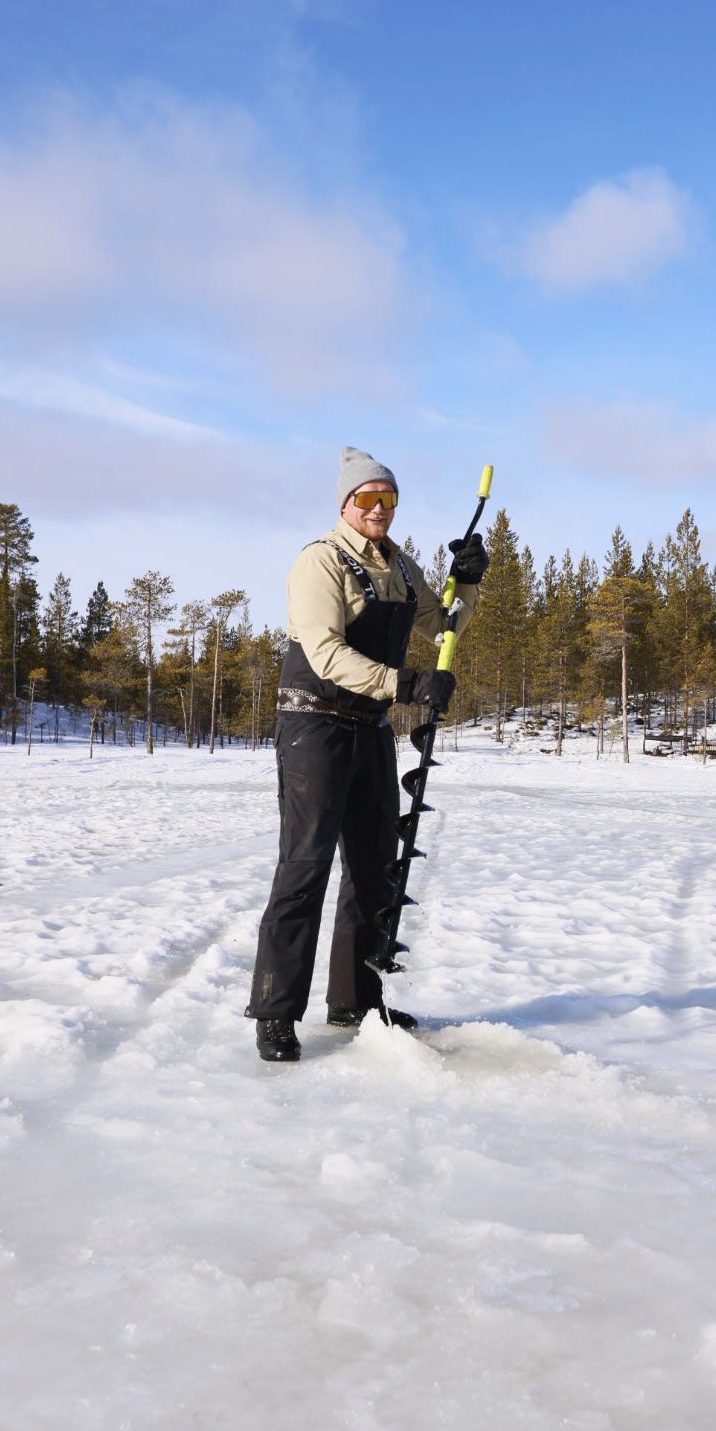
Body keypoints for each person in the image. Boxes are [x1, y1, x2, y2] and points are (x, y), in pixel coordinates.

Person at [245, 447, 489, 1063]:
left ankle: (356, 1000)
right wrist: (406, 684)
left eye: (389, 499)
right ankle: (276, 1014)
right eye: (367, 499)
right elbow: (325, 654)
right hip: (314, 726)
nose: (378, 509)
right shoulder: (320, 562)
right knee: (305, 868)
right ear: (345, 504)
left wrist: (472, 581)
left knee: (374, 866)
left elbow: (446, 625)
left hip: (369, 727)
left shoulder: (402, 567)